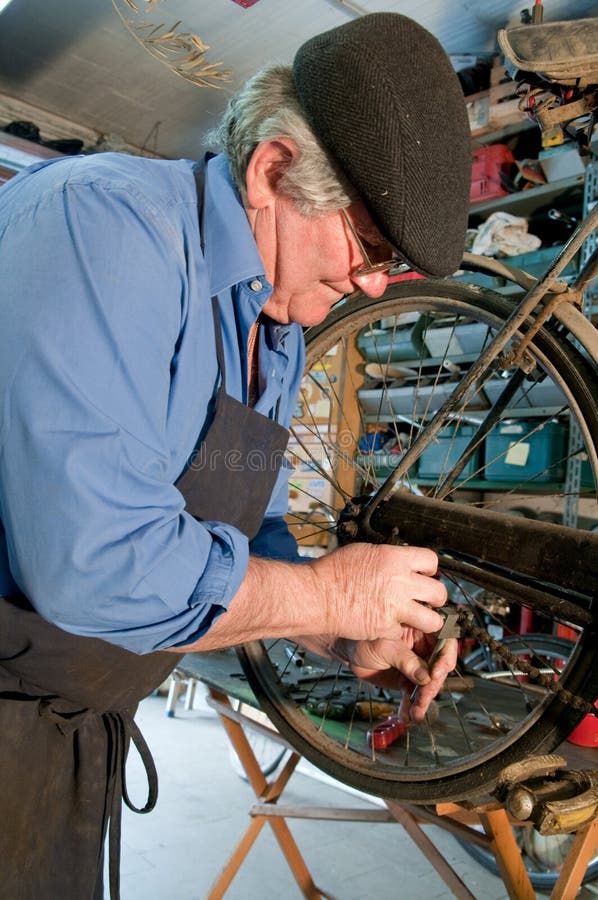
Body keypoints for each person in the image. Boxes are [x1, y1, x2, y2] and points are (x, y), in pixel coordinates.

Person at [0, 12, 471, 900]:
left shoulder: (276, 325)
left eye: (393, 268)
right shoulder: (109, 227)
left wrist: (337, 627)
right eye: (370, 247)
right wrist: (325, 592)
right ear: (272, 171)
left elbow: (245, 535)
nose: (372, 285)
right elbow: (95, 563)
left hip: (66, 730)